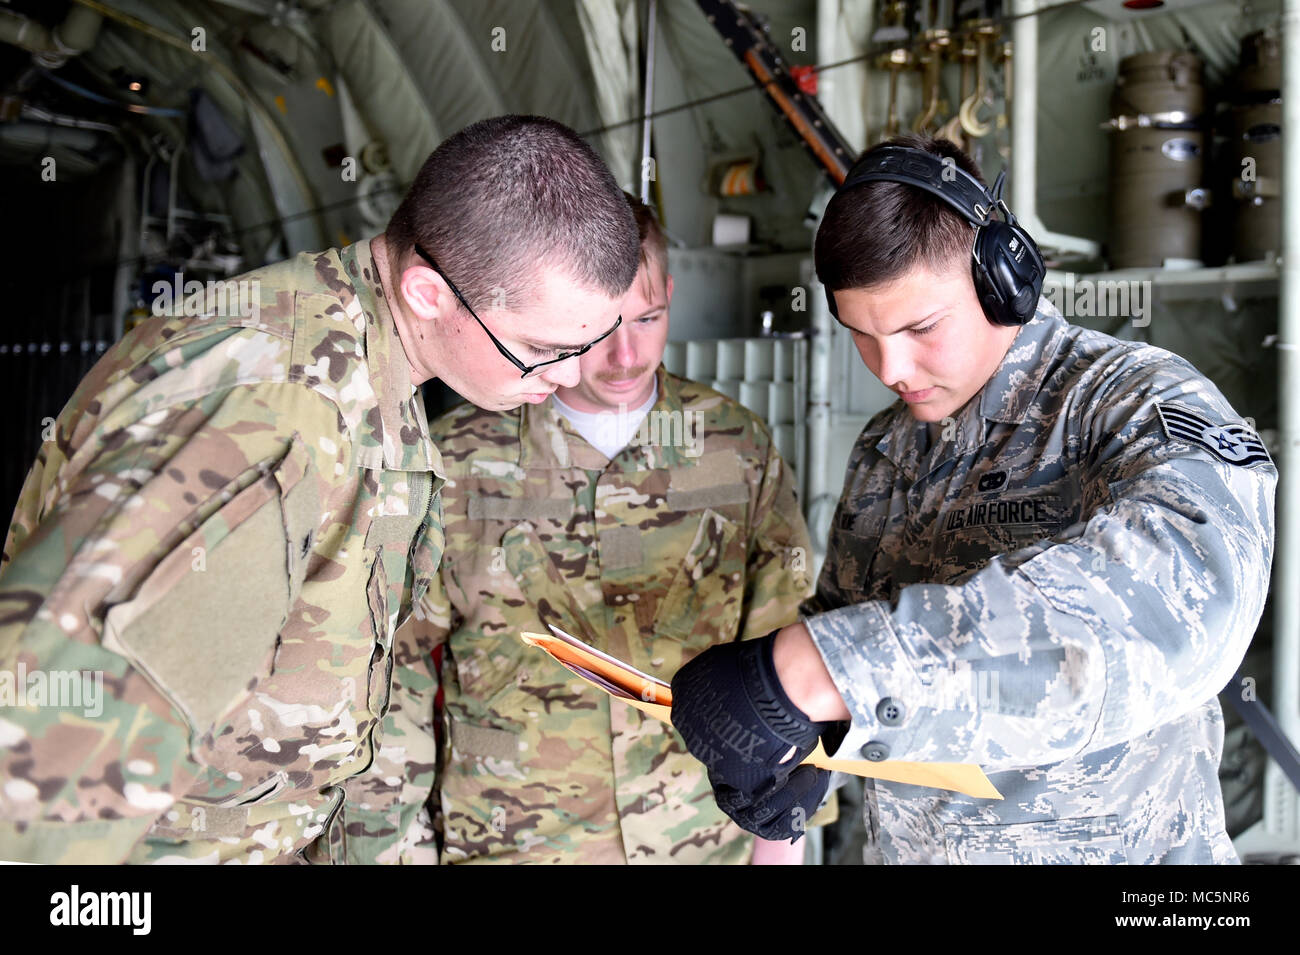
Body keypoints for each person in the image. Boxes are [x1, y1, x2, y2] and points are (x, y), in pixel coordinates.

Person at [0, 114, 640, 864]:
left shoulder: (377, 364)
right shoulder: (275, 410)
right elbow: (43, 773)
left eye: (587, 344)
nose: (569, 377)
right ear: (429, 292)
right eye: (542, 349)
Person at [668, 134, 1277, 864]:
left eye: (920, 327)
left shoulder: (1131, 400)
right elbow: (844, 625)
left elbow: (1191, 603)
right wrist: (802, 756)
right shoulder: (886, 449)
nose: (891, 367)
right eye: (861, 334)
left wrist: (811, 671)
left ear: (1002, 280)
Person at [389, 193, 822, 863]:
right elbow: (399, 675)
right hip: (515, 841)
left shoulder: (734, 446)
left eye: (649, 319)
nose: (625, 355)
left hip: (698, 839)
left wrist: (779, 844)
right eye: (599, 330)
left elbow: (788, 650)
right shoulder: (457, 461)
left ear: (671, 294)